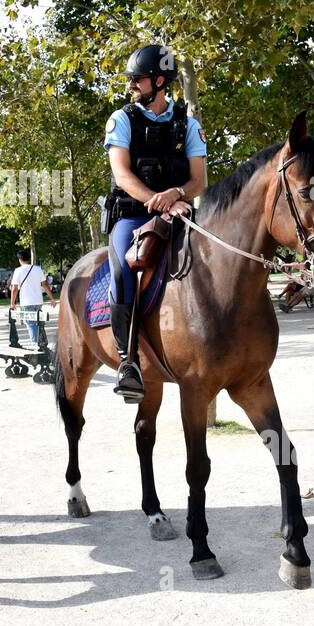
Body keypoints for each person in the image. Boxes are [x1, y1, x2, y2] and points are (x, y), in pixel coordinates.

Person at [102, 44, 207, 401]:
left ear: (160, 82)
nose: (132, 86)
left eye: (138, 79)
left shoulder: (188, 124)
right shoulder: (121, 119)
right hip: (132, 215)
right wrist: (154, 200)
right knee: (121, 273)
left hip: (179, 210)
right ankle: (126, 361)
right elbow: (122, 174)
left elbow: (199, 181)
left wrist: (176, 194)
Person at [10, 249, 56, 344]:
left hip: (26, 302)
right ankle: (42, 344)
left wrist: (12, 303)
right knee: (39, 323)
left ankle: (37, 345)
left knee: (31, 324)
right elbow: (45, 284)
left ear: (19, 260)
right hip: (38, 301)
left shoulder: (18, 271)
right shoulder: (37, 269)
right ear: (29, 259)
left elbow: (14, 288)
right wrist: (52, 298)